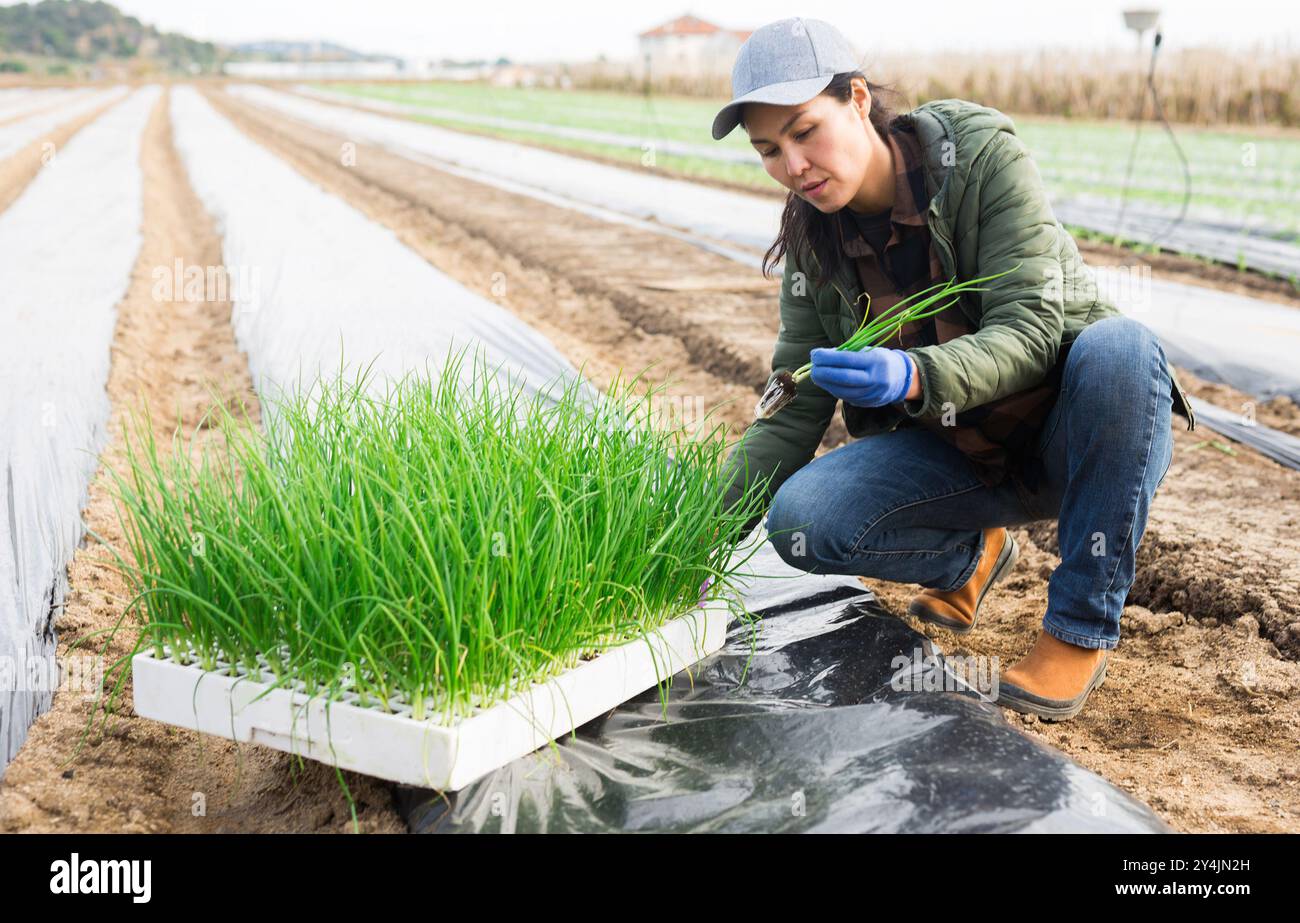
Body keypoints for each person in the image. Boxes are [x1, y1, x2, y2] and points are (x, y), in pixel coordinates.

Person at [712, 17, 1197, 721]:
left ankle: (1077, 631)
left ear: (855, 98)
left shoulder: (975, 157)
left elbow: (1031, 328)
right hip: (958, 459)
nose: (793, 165)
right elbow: (790, 401)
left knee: (1123, 347)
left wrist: (912, 376)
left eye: (804, 130)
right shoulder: (813, 243)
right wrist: (694, 534)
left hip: (1071, 431)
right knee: (804, 522)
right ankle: (969, 558)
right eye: (767, 150)